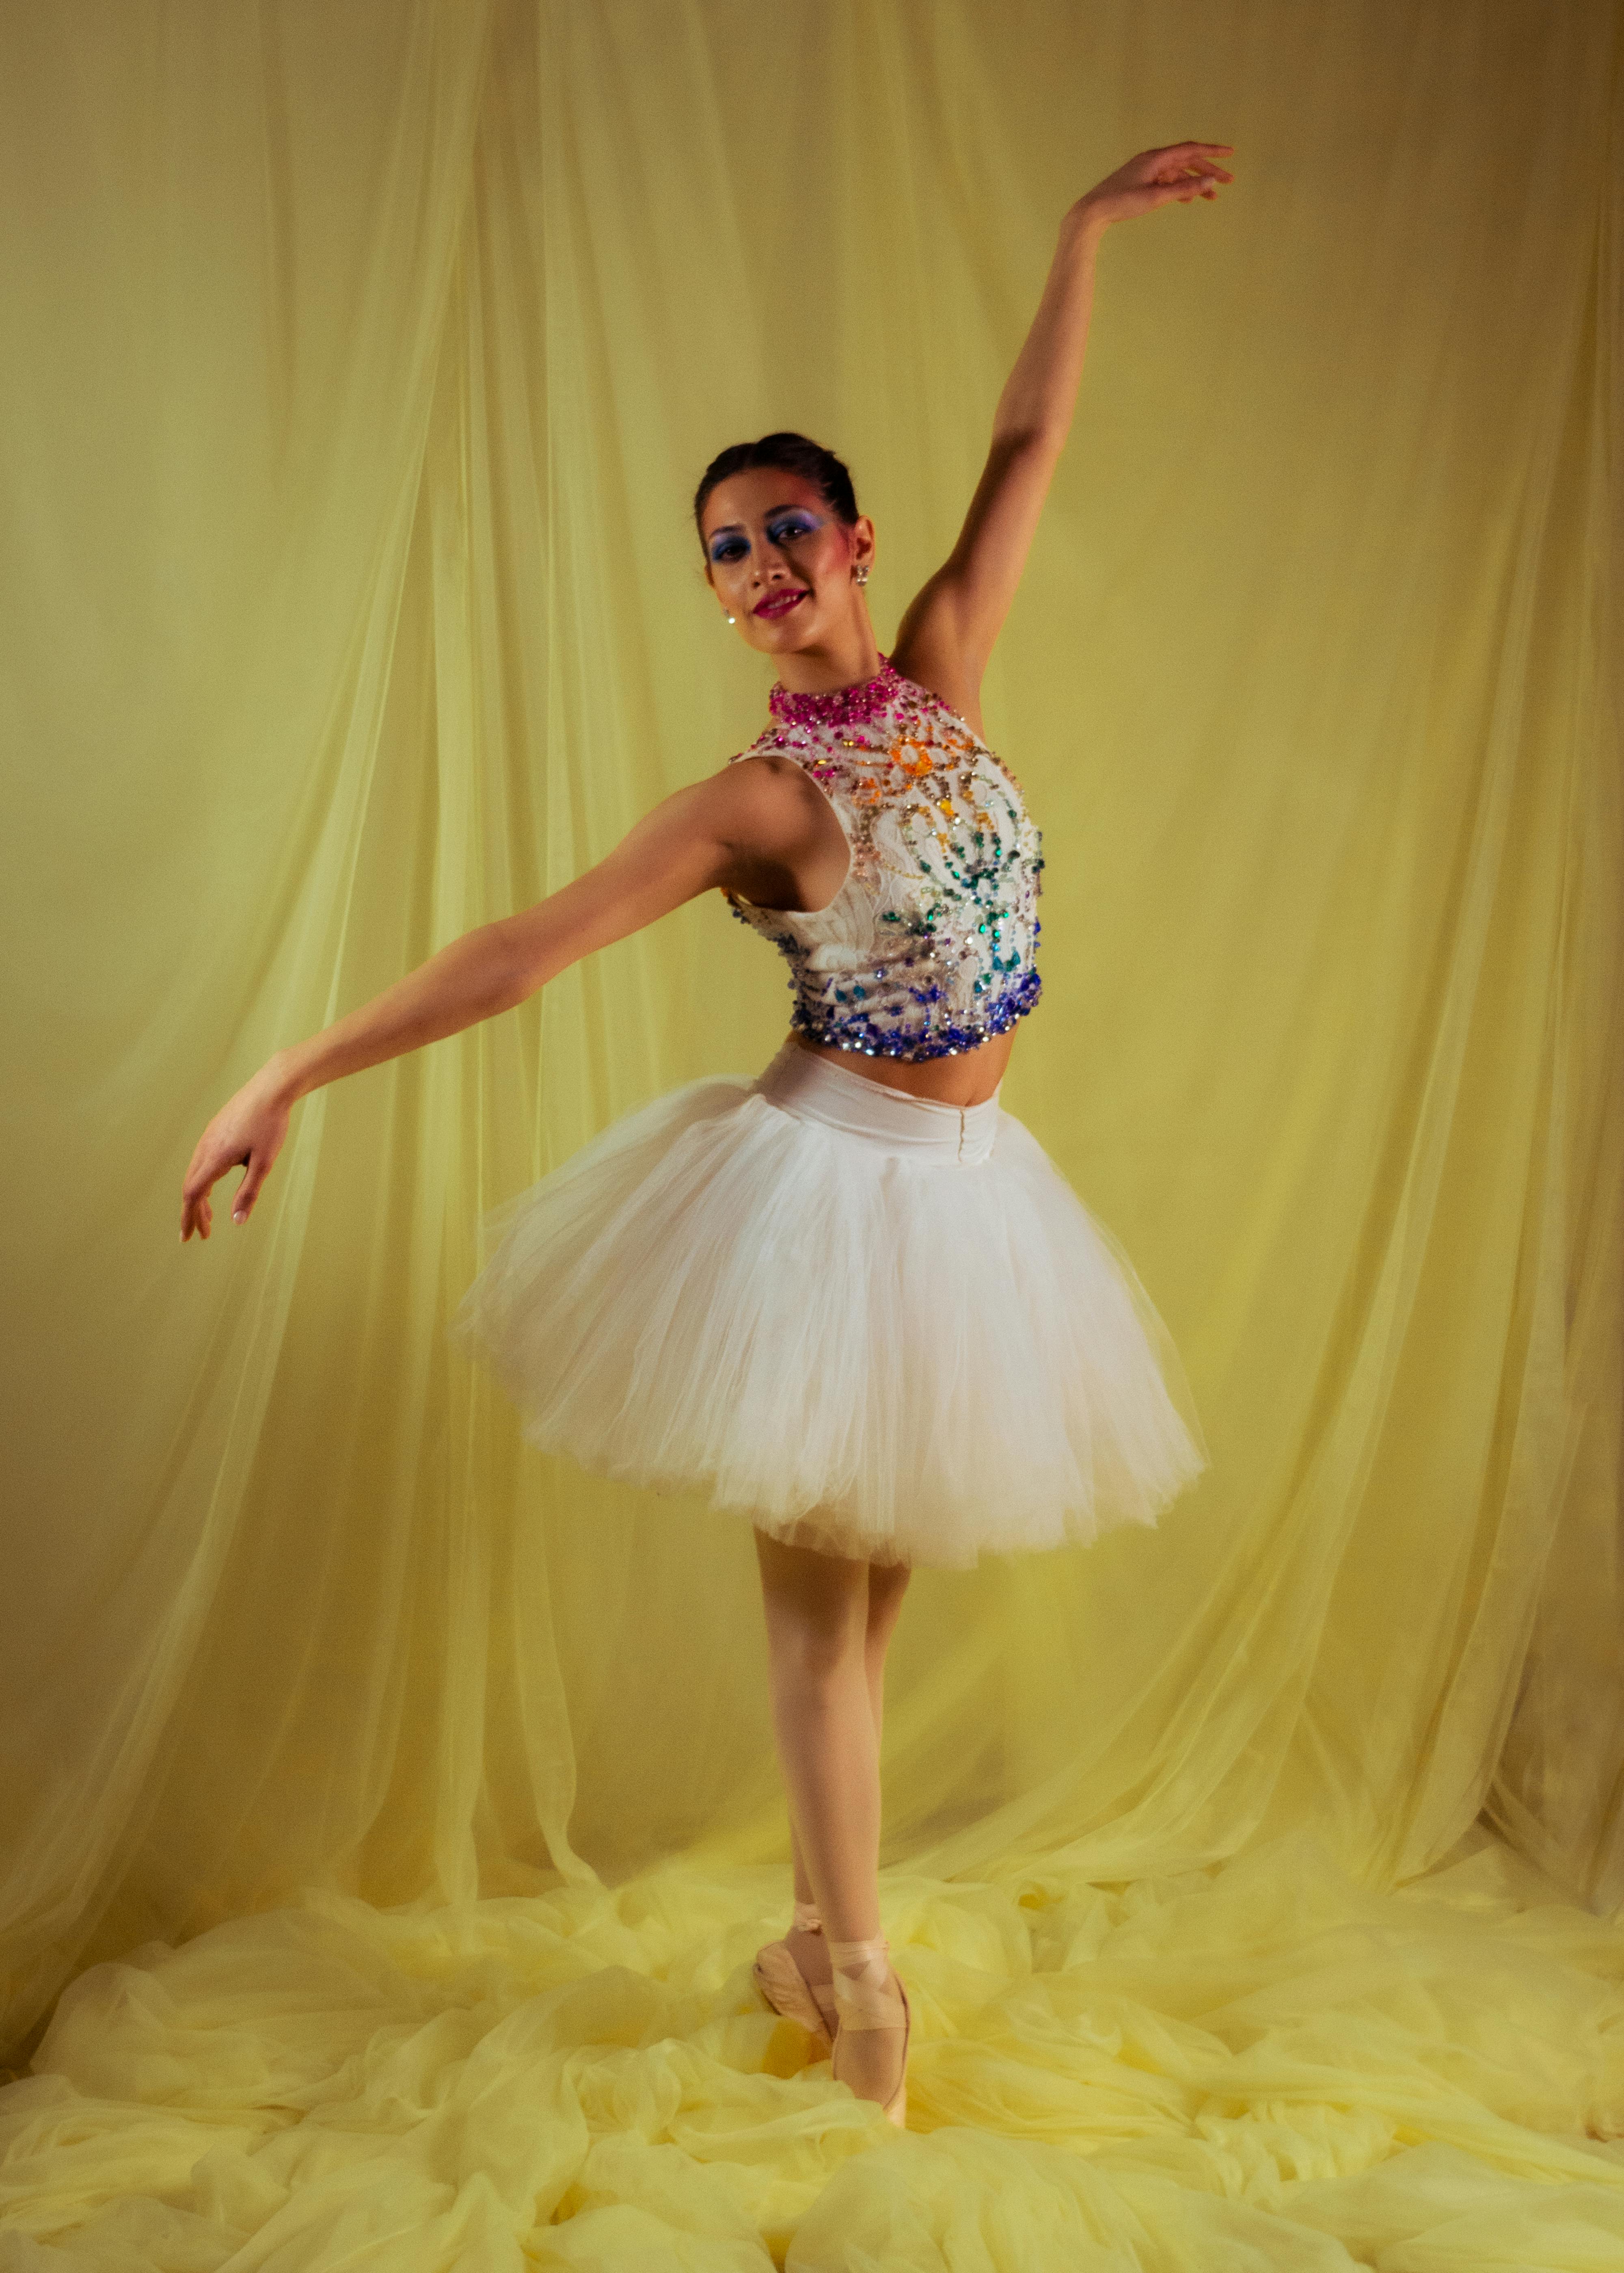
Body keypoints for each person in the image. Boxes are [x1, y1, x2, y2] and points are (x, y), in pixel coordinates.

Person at [181, 140, 1233, 2127]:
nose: (756, 573)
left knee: (891, 1566)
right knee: (821, 1641)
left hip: (969, 1204)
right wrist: (286, 1072)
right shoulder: (753, 801)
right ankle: (862, 2000)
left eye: (781, 533)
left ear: (851, 539)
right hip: (817, 1198)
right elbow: (518, 954)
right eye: (723, 556)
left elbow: (1026, 448)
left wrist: (1078, 232)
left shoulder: (944, 670)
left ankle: (814, 1932)